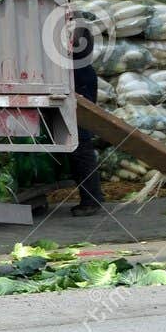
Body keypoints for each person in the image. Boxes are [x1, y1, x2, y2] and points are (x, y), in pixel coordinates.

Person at [69, 22, 106, 217]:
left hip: (78, 82)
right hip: (80, 78)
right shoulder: (75, 22)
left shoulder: (75, 25)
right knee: (79, 146)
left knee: (80, 146)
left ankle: (91, 200)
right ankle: (92, 197)